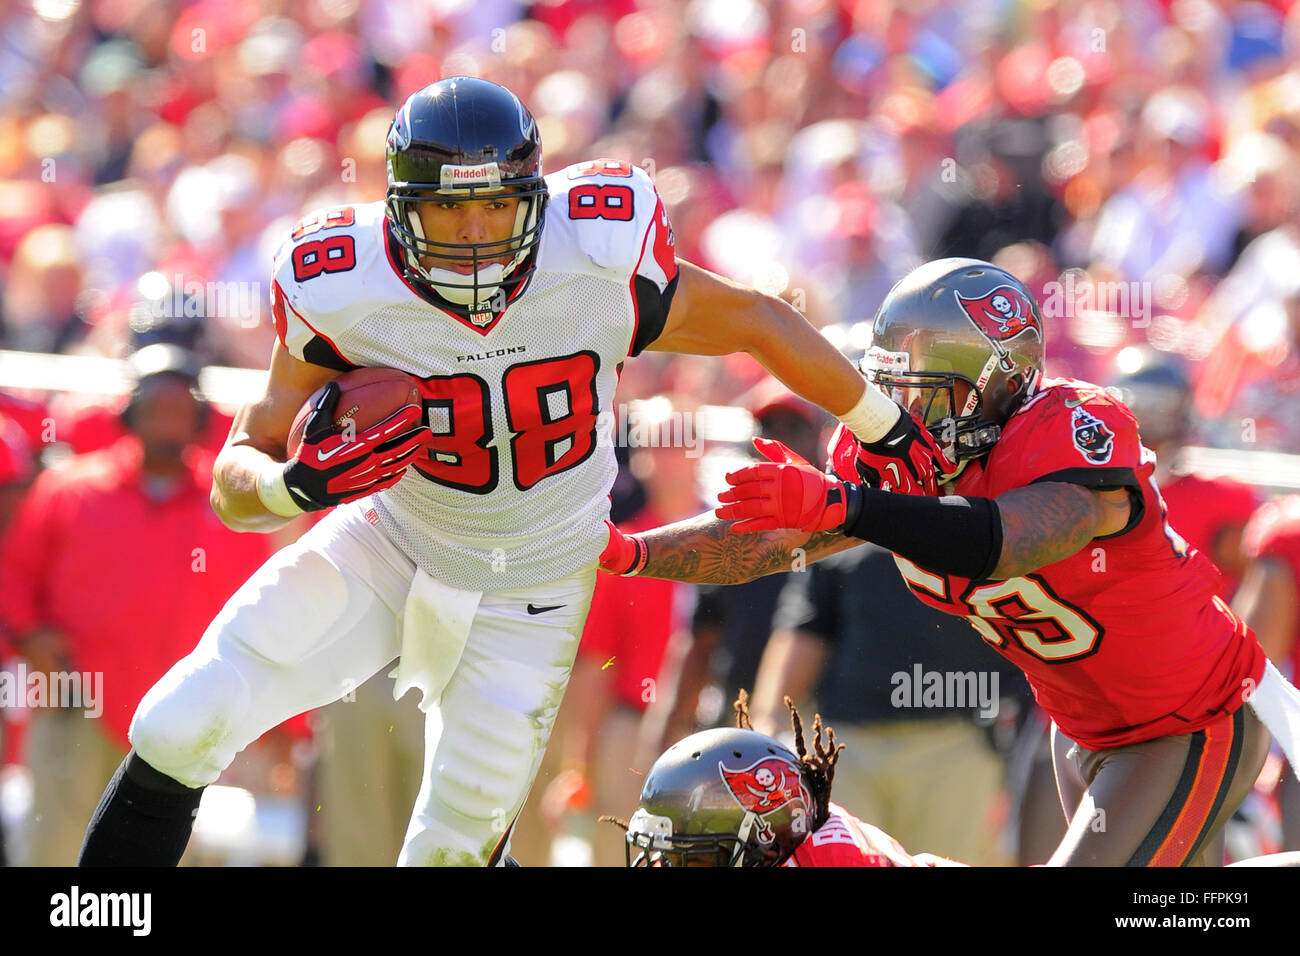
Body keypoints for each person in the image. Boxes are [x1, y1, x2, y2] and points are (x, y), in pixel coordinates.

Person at [76, 76, 882, 868]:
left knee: (450, 852)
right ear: (399, 209)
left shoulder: (598, 252)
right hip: (393, 544)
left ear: (535, 198)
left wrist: (887, 427)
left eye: (496, 204)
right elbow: (233, 479)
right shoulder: (342, 285)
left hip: (534, 589)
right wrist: (297, 487)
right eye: (448, 208)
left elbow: (761, 321)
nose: (474, 232)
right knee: (179, 722)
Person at [603, 257, 1298, 866]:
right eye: (889, 387)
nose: (899, 412)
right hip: (1079, 722)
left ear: (996, 386)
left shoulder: (1068, 427)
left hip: (1187, 716)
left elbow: (1006, 542)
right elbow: (767, 544)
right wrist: (627, 554)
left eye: (923, 390)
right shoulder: (894, 456)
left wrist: (851, 508)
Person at [1, 344, 273, 865]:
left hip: (185, 718)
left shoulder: (231, 505)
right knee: (54, 852)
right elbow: (13, 575)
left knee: (160, 857)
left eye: (178, 404)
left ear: (198, 417)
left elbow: (267, 604)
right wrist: (30, 636)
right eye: (155, 403)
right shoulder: (70, 489)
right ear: (129, 411)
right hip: (76, 705)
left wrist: (281, 726)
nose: (166, 416)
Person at [607, 692, 956, 867]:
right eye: (670, 856)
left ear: (766, 842)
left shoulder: (837, 857)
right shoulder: (773, 846)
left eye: (692, 858)